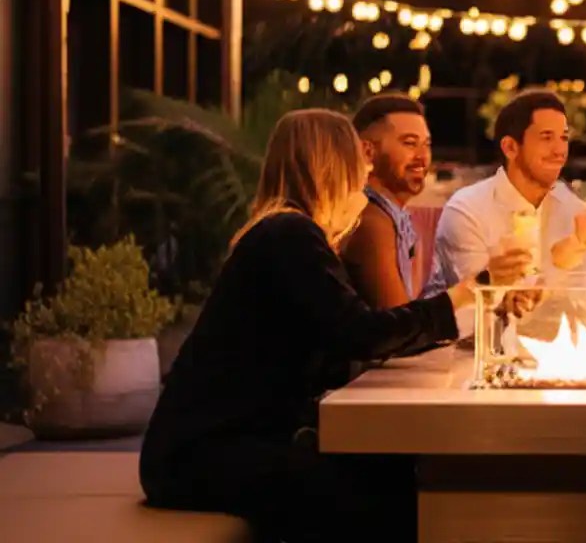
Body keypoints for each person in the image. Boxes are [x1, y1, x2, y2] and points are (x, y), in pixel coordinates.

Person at [140, 109, 474, 543]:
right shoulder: (288, 236)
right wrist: (461, 297)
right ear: (331, 164)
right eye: (359, 160)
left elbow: (357, 333)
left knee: (390, 471)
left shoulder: (289, 233)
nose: (367, 170)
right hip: (203, 455)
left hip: (223, 443)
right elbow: (362, 333)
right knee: (377, 494)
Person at [429, 89, 586, 294]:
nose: (559, 150)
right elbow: (474, 313)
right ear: (510, 148)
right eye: (546, 137)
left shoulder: (572, 208)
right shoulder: (467, 212)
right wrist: (557, 268)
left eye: (563, 138)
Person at [342, 93, 433, 310]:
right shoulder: (370, 221)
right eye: (410, 143)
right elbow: (401, 327)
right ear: (367, 152)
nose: (422, 156)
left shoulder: (391, 217)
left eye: (426, 144)